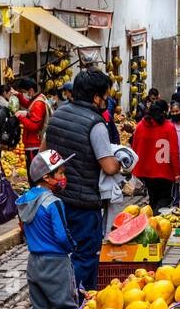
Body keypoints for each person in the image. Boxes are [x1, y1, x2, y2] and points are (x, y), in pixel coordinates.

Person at [43, 69, 123, 293]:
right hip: (84, 202)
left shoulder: (58, 114)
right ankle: (72, 302)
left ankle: (64, 299)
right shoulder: (95, 124)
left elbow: (44, 155)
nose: (107, 100)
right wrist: (121, 162)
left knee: (61, 253)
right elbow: (108, 166)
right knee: (85, 255)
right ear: (96, 97)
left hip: (57, 198)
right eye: (105, 95)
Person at [18, 150, 81, 309]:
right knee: (66, 307)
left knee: (40, 308)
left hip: (34, 262)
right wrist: (72, 248)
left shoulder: (24, 200)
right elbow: (62, 234)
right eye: (60, 174)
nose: (63, 178)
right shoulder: (53, 202)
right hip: (56, 262)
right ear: (47, 177)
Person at [130, 100, 180, 212]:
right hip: (165, 171)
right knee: (165, 200)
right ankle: (157, 223)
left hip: (146, 172)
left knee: (153, 199)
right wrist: (177, 172)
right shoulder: (169, 127)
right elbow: (173, 152)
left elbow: (134, 148)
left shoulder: (140, 126)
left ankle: (151, 221)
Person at [14, 77, 48, 171]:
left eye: (24, 92)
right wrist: (19, 96)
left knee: (34, 173)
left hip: (34, 145)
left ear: (31, 91)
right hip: (32, 142)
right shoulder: (37, 98)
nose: (25, 94)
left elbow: (34, 126)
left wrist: (20, 117)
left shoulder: (37, 104)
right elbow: (28, 104)